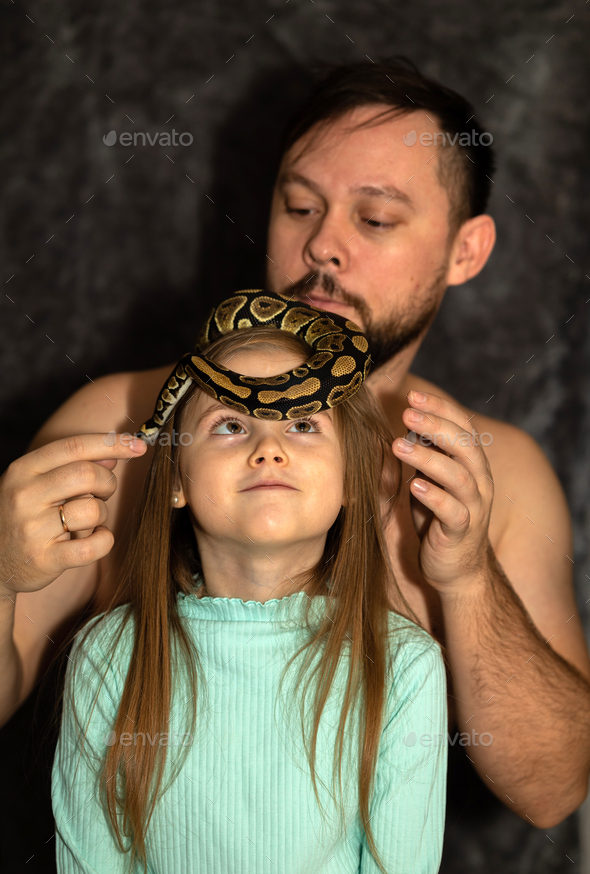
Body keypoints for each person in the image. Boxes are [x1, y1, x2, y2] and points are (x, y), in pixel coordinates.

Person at [2, 56, 590, 832]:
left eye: (375, 219)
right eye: (299, 206)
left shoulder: (497, 475)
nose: (323, 247)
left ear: (466, 250)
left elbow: (554, 787)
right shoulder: (122, 426)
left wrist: (470, 579)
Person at [51, 313, 448, 874]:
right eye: (231, 426)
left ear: (352, 481)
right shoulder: (108, 655)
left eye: (304, 424)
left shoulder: (407, 666)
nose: (269, 448)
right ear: (174, 480)